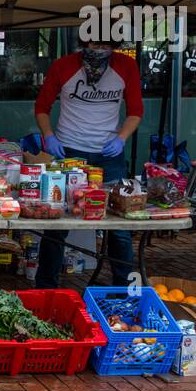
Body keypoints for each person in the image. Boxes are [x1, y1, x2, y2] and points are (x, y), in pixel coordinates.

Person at [33, 37, 145, 286]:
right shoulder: (63, 66)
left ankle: (124, 289)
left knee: (118, 225)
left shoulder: (126, 66)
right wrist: (49, 136)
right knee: (57, 222)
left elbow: (136, 111)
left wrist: (122, 138)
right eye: (94, 45)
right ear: (84, 42)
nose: (99, 50)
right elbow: (41, 106)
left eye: (105, 46)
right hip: (69, 153)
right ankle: (46, 286)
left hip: (110, 155)